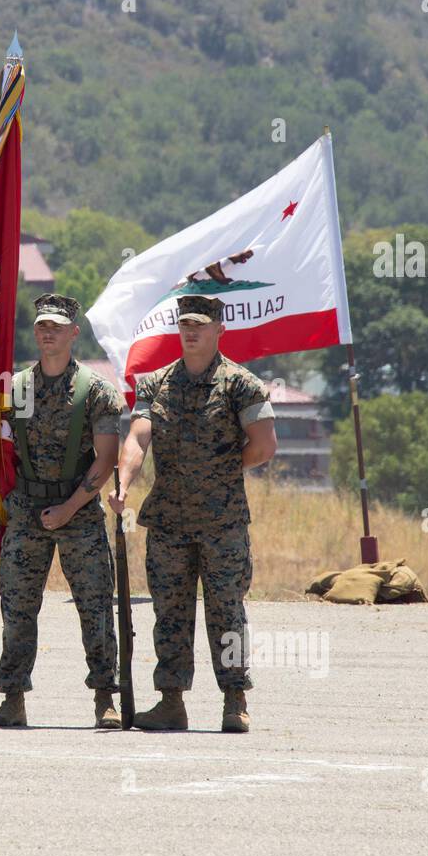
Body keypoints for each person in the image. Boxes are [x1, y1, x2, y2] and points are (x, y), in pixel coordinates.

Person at [110, 295, 277, 732]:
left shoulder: (242, 385)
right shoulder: (155, 384)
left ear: (219, 330)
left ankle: (234, 700)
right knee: (170, 612)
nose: (191, 331)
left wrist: (217, 467)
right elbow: (138, 437)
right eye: (185, 323)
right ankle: (170, 702)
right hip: (169, 522)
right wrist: (124, 483)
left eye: (200, 324)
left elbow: (263, 447)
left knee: (227, 611)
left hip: (222, 523)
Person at [0, 294, 126, 728]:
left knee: (95, 606)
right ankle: (13, 698)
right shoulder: (14, 389)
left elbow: (105, 460)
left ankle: (105, 697)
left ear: (73, 334)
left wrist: (69, 507)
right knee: (18, 608)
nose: (48, 333)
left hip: (77, 511)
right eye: (42, 325)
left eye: (57, 327)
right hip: (25, 510)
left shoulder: (96, 392)